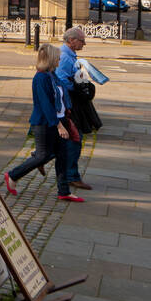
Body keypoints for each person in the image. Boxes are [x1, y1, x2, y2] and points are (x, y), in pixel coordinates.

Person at [4, 44, 81, 202]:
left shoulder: (52, 75)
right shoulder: (41, 77)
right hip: (45, 123)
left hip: (58, 120)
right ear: (51, 58)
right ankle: (12, 175)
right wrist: (59, 126)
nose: (60, 59)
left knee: (62, 156)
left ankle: (64, 191)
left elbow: (61, 94)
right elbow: (45, 104)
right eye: (57, 57)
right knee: (43, 155)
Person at [56, 26, 92, 191]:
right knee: (76, 138)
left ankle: (40, 157)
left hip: (71, 103)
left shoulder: (69, 56)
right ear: (71, 41)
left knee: (71, 138)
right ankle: (71, 176)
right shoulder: (65, 57)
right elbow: (61, 80)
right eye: (81, 41)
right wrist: (77, 85)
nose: (84, 44)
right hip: (70, 104)